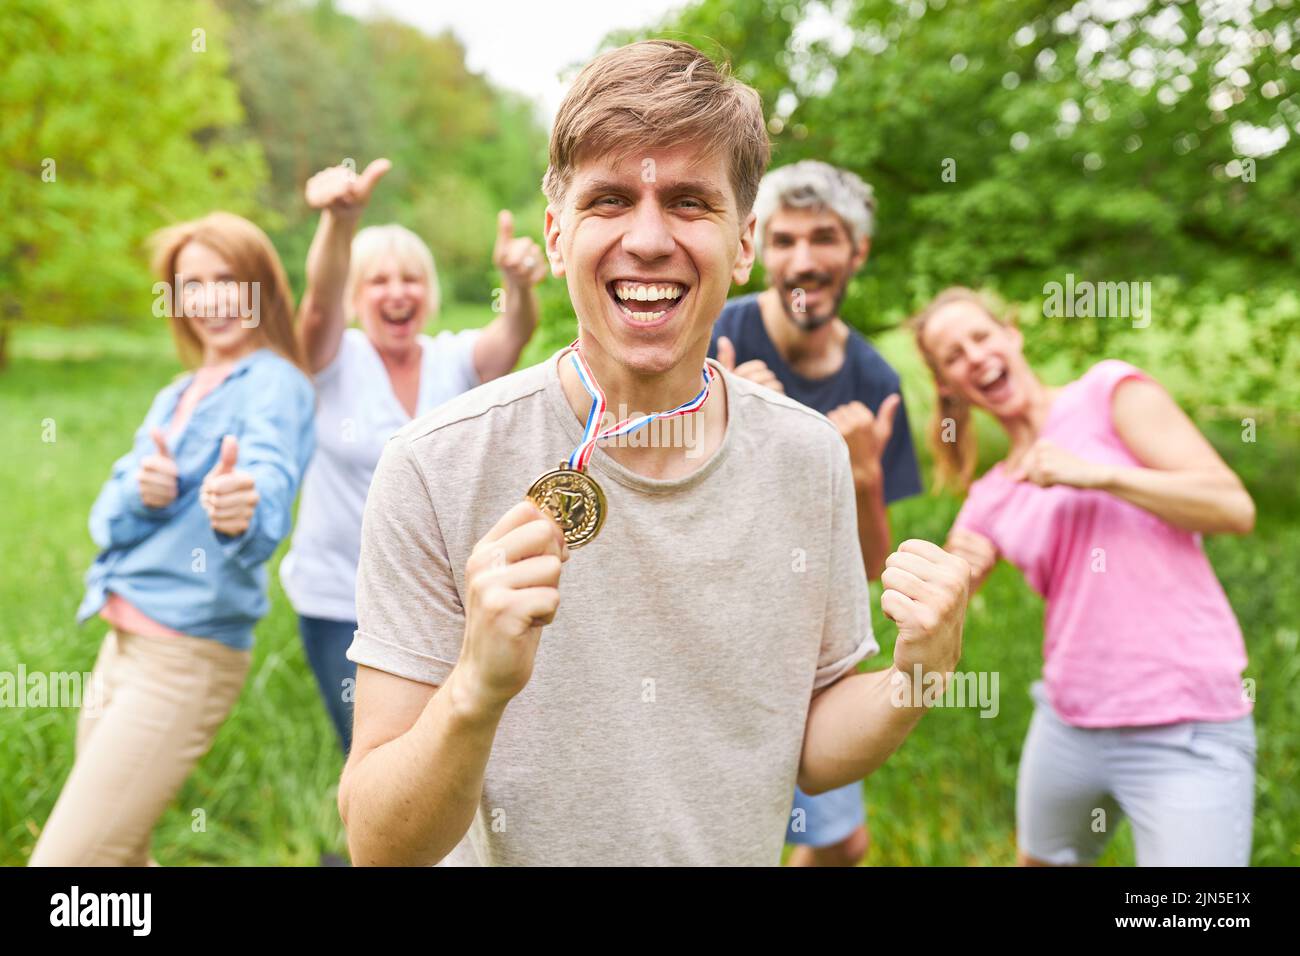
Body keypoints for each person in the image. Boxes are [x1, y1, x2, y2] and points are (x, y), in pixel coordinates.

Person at [337, 39, 969, 867]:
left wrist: (913, 677)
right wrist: (475, 689)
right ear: (557, 236)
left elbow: (808, 744)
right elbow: (381, 845)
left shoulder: (807, 459)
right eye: (608, 199)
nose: (646, 239)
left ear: (743, 244)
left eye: (688, 202)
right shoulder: (434, 466)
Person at [912, 286, 1257, 867]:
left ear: (1011, 335)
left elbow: (1233, 507)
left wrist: (1095, 476)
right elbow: (939, 609)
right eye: (952, 355)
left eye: (980, 336)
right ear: (947, 384)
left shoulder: (1107, 393)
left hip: (1184, 721)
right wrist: (942, 576)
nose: (973, 355)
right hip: (1069, 720)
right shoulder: (992, 495)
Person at [30, 212, 316, 866]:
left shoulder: (274, 383)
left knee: (67, 869)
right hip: (122, 641)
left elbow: (267, 475)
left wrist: (239, 506)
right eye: (192, 285)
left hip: (184, 656)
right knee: (119, 856)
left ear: (261, 287)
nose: (210, 299)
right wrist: (140, 490)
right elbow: (104, 519)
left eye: (227, 280)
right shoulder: (177, 393)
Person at [278, 159, 545, 754]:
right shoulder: (332, 361)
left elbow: (513, 335)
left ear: (430, 294)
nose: (397, 293)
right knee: (376, 760)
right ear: (356, 298)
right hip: (338, 603)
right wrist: (340, 223)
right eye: (378, 282)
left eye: (411, 280)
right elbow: (316, 311)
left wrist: (520, 286)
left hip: (436, 600)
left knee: (453, 752)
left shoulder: (452, 360)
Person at [709, 160, 923, 866]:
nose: (803, 260)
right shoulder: (712, 338)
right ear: (756, 250)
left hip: (799, 646)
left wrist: (862, 479)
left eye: (824, 238)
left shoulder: (874, 380)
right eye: (784, 239)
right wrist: (721, 421)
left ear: (856, 251)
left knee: (838, 843)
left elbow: (869, 573)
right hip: (697, 623)